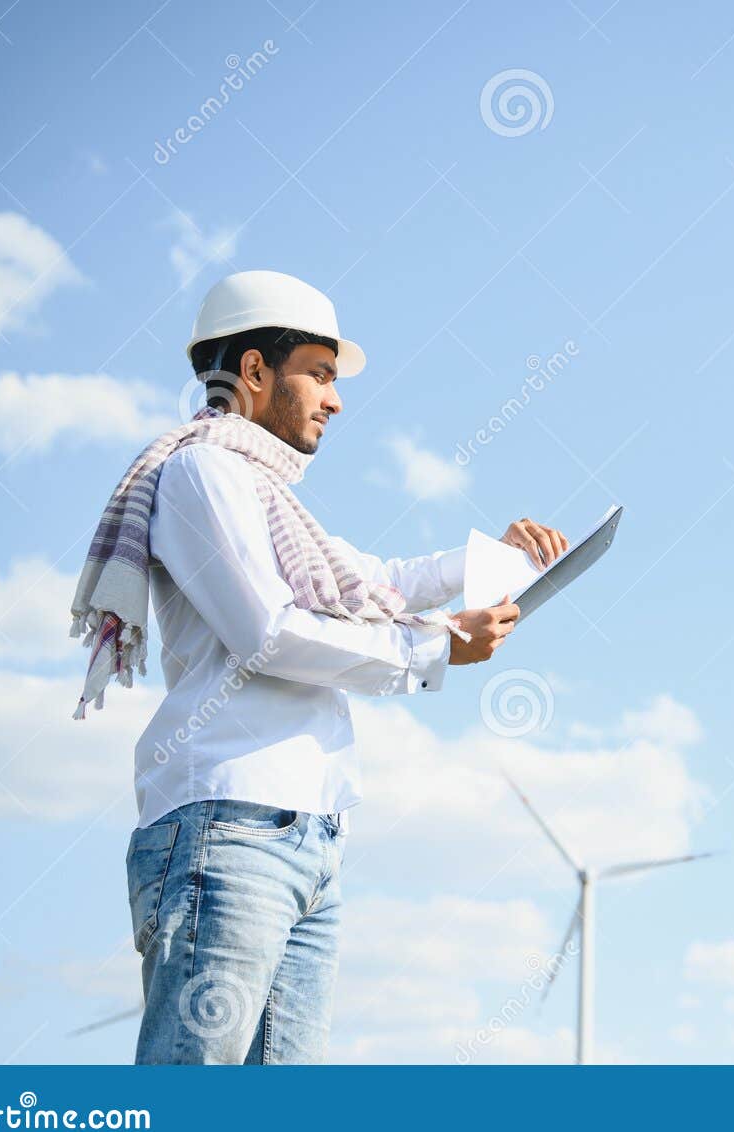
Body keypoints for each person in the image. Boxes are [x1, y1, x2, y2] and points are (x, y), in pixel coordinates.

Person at [69, 270, 567, 1063]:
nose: (336, 400)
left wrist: (491, 561)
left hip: (308, 841)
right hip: (228, 831)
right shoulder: (206, 474)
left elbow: (370, 579)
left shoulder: (267, 493)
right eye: (321, 374)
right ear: (257, 373)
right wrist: (436, 647)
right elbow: (270, 631)